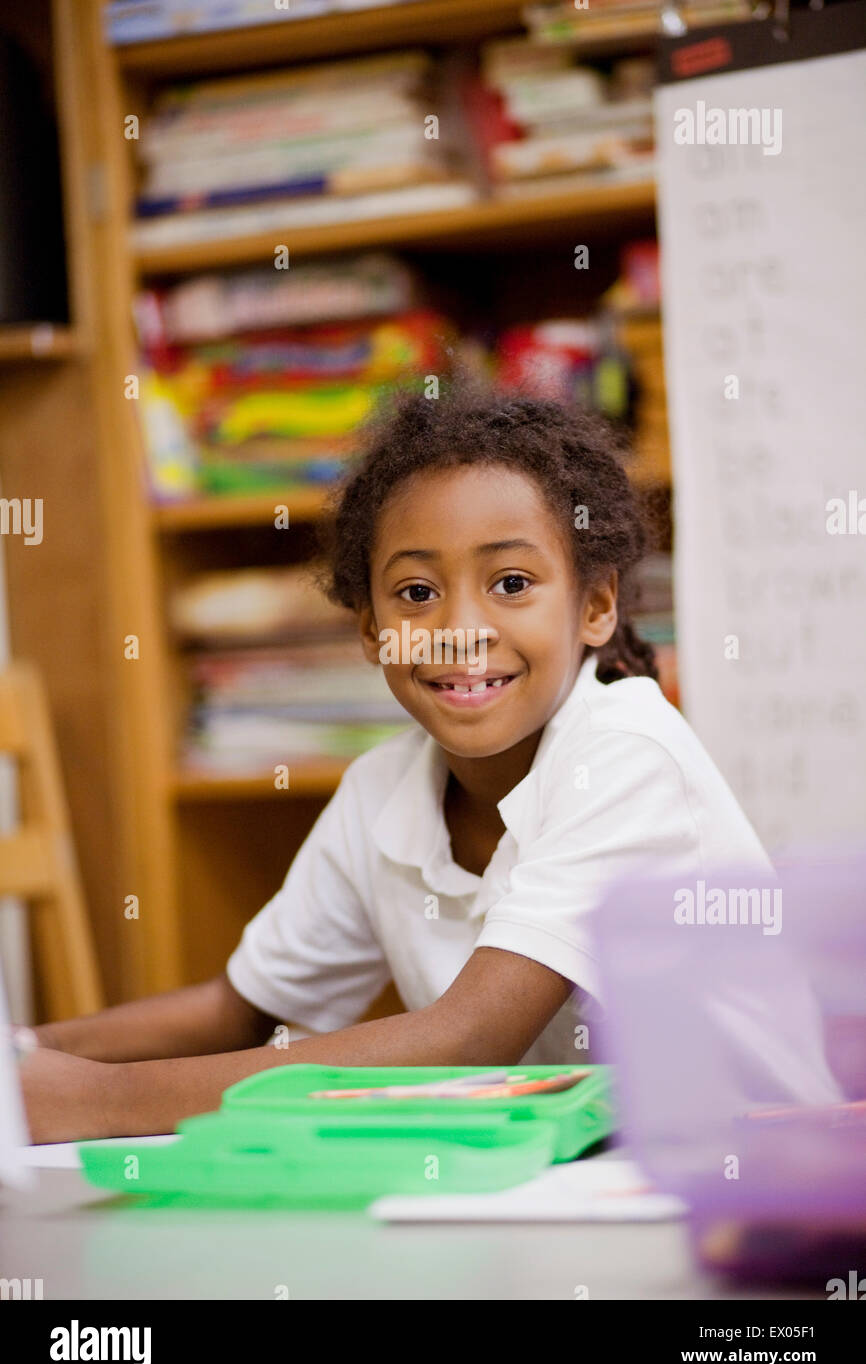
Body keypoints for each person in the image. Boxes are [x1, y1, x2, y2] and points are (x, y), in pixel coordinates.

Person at [19, 383, 836, 1142]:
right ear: (370, 629)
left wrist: (98, 1101)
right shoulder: (381, 791)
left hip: (752, 1188)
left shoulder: (626, 755)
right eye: (415, 594)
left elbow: (471, 1037)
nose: (458, 628)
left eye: (511, 582)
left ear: (594, 606)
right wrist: (23, 1057)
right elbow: (240, 1012)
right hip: (555, 1190)